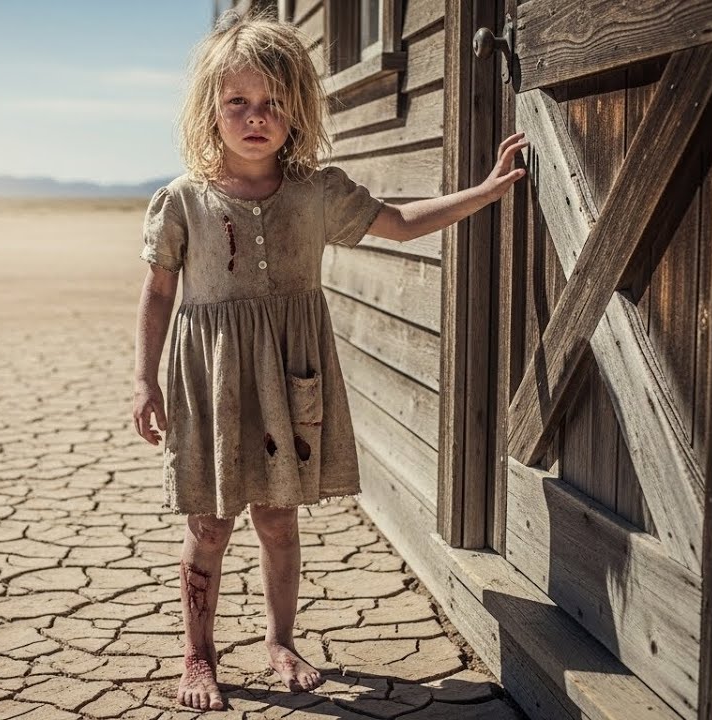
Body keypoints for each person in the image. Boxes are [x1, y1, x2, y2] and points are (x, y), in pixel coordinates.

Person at [131, 4, 528, 712]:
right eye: (238, 103)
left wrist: (487, 192)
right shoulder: (183, 202)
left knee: (278, 521)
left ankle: (280, 640)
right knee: (210, 525)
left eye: (274, 104)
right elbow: (159, 293)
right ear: (209, 111)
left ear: (298, 112)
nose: (256, 117)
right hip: (211, 384)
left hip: (288, 382)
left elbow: (401, 224)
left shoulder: (318, 194)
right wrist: (143, 380)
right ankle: (198, 654)